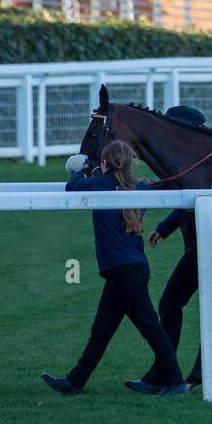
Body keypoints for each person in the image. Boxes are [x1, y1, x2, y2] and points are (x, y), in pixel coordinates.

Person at [41, 140, 187, 397]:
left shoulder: (102, 184)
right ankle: (75, 382)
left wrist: (75, 169)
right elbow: (140, 187)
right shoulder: (137, 186)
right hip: (130, 269)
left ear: (105, 163)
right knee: (102, 330)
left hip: (123, 272)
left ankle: (175, 382)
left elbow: (73, 188)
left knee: (150, 328)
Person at [150, 105, 212, 391]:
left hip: (205, 249)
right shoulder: (199, 163)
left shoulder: (199, 163)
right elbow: (184, 205)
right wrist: (164, 229)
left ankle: (165, 372)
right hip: (209, 248)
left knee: (170, 303)